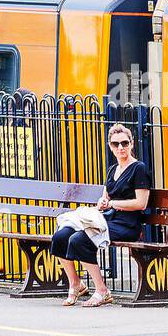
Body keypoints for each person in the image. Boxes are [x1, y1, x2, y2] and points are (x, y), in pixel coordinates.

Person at [51, 122, 151, 307]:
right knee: (61, 236)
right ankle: (76, 284)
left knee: (79, 240)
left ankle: (102, 290)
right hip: (107, 220)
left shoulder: (139, 168)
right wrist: (103, 202)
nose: (120, 147)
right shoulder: (113, 169)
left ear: (131, 143)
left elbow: (141, 203)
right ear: (110, 147)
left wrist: (112, 203)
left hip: (126, 225)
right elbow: (105, 196)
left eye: (124, 143)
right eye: (115, 144)